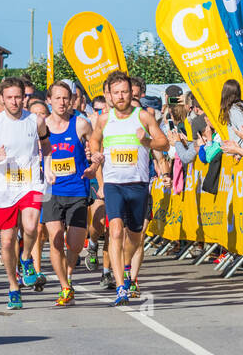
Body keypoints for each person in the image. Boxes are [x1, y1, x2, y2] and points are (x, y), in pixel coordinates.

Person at [88, 71, 169, 306]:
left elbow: (163, 143)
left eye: (124, 91)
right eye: (116, 93)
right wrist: (95, 152)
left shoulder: (143, 116)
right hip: (114, 184)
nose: (121, 96)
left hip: (138, 183)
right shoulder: (104, 119)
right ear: (110, 96)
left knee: (135, 236)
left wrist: (146, 141)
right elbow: (95, 139)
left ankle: (124, 264)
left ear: (130, 92)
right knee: (114, 232)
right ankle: (121, 286)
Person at [0, 78, 50, 309]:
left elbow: (46, 146)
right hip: (4, 188)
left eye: (18, 97)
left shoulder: (35, 121)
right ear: (1, 98)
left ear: (24, 98)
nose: (15, 101)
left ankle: (26, 257)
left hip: (30, 184)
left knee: (30, 227)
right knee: (7, 242)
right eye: (9, 97)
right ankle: (13, 286)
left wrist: (47, 169)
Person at [42, 80, 98, 305]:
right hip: (50, 191)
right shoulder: (41, 126)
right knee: (55, 240)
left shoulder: (81, 124)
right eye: (57, 98)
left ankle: (69, 274)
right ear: (49, 100)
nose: (62, 102)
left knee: (74, 245)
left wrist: (93, 165)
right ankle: (65, 287)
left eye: (66, 98)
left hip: (76, 190)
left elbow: (95, 150)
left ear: (72, 100)